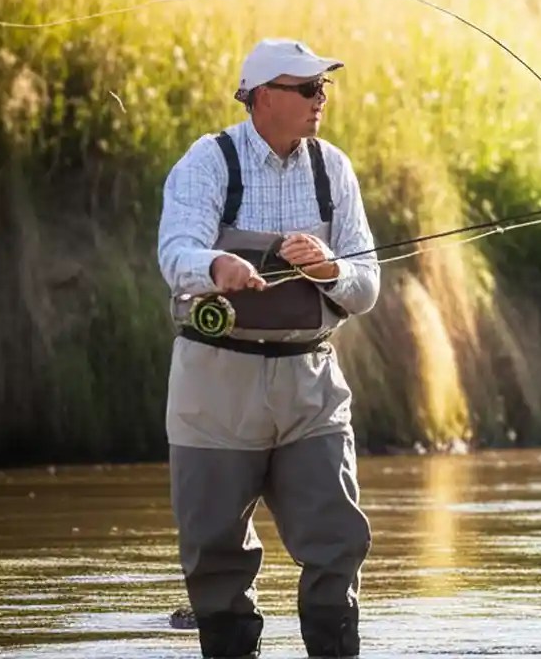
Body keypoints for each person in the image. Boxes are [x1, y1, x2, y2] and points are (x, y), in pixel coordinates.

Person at [156, 37, 380, 658]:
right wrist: (219, 264)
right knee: (215, 557)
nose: (320, 99)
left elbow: (367, 284)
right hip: (215, 387)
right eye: (307, 88)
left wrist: (331, 268)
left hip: (311, 382)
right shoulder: (208, 162)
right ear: (261, 98)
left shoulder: (333, 167)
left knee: (337, 542)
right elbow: (176, 253)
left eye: (323, 88)